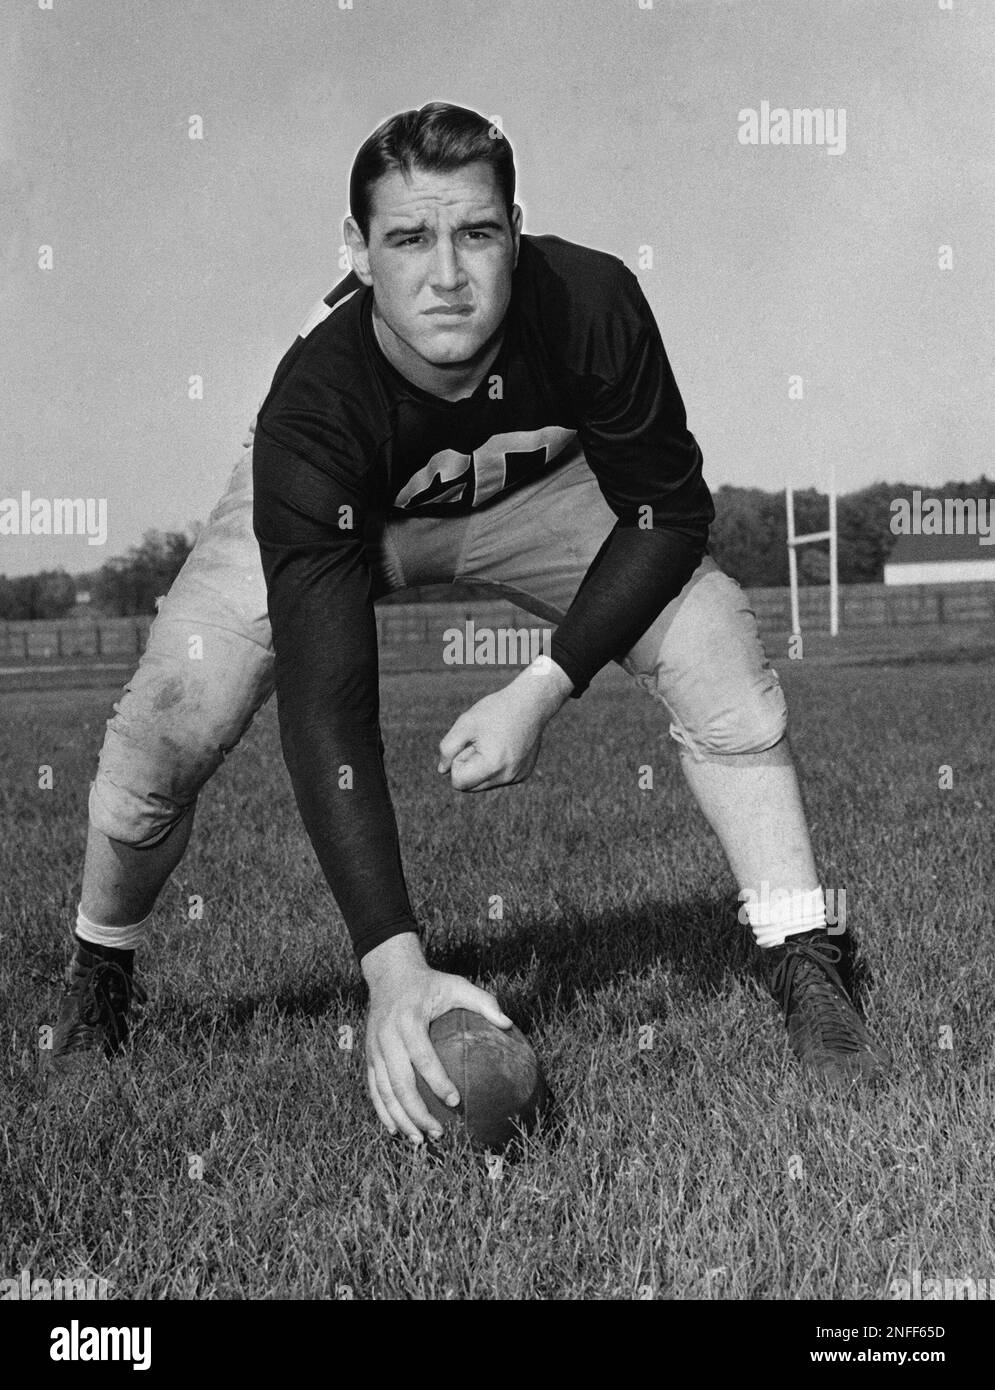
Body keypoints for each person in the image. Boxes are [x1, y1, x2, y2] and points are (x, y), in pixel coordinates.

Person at [50, 103, 889, 1140]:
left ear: (516, 229)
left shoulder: (586, 299)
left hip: (531, 498)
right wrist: (394, 969)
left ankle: (803, 947)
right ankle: (100, 961)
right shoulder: (316, 402)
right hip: (355, 510)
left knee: (709, 629)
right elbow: (329, 700)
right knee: (174, 710)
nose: (446, 273)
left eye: (476, 233)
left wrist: (542, 684)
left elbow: (665, 514)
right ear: (357, 252)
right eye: (408, 238)